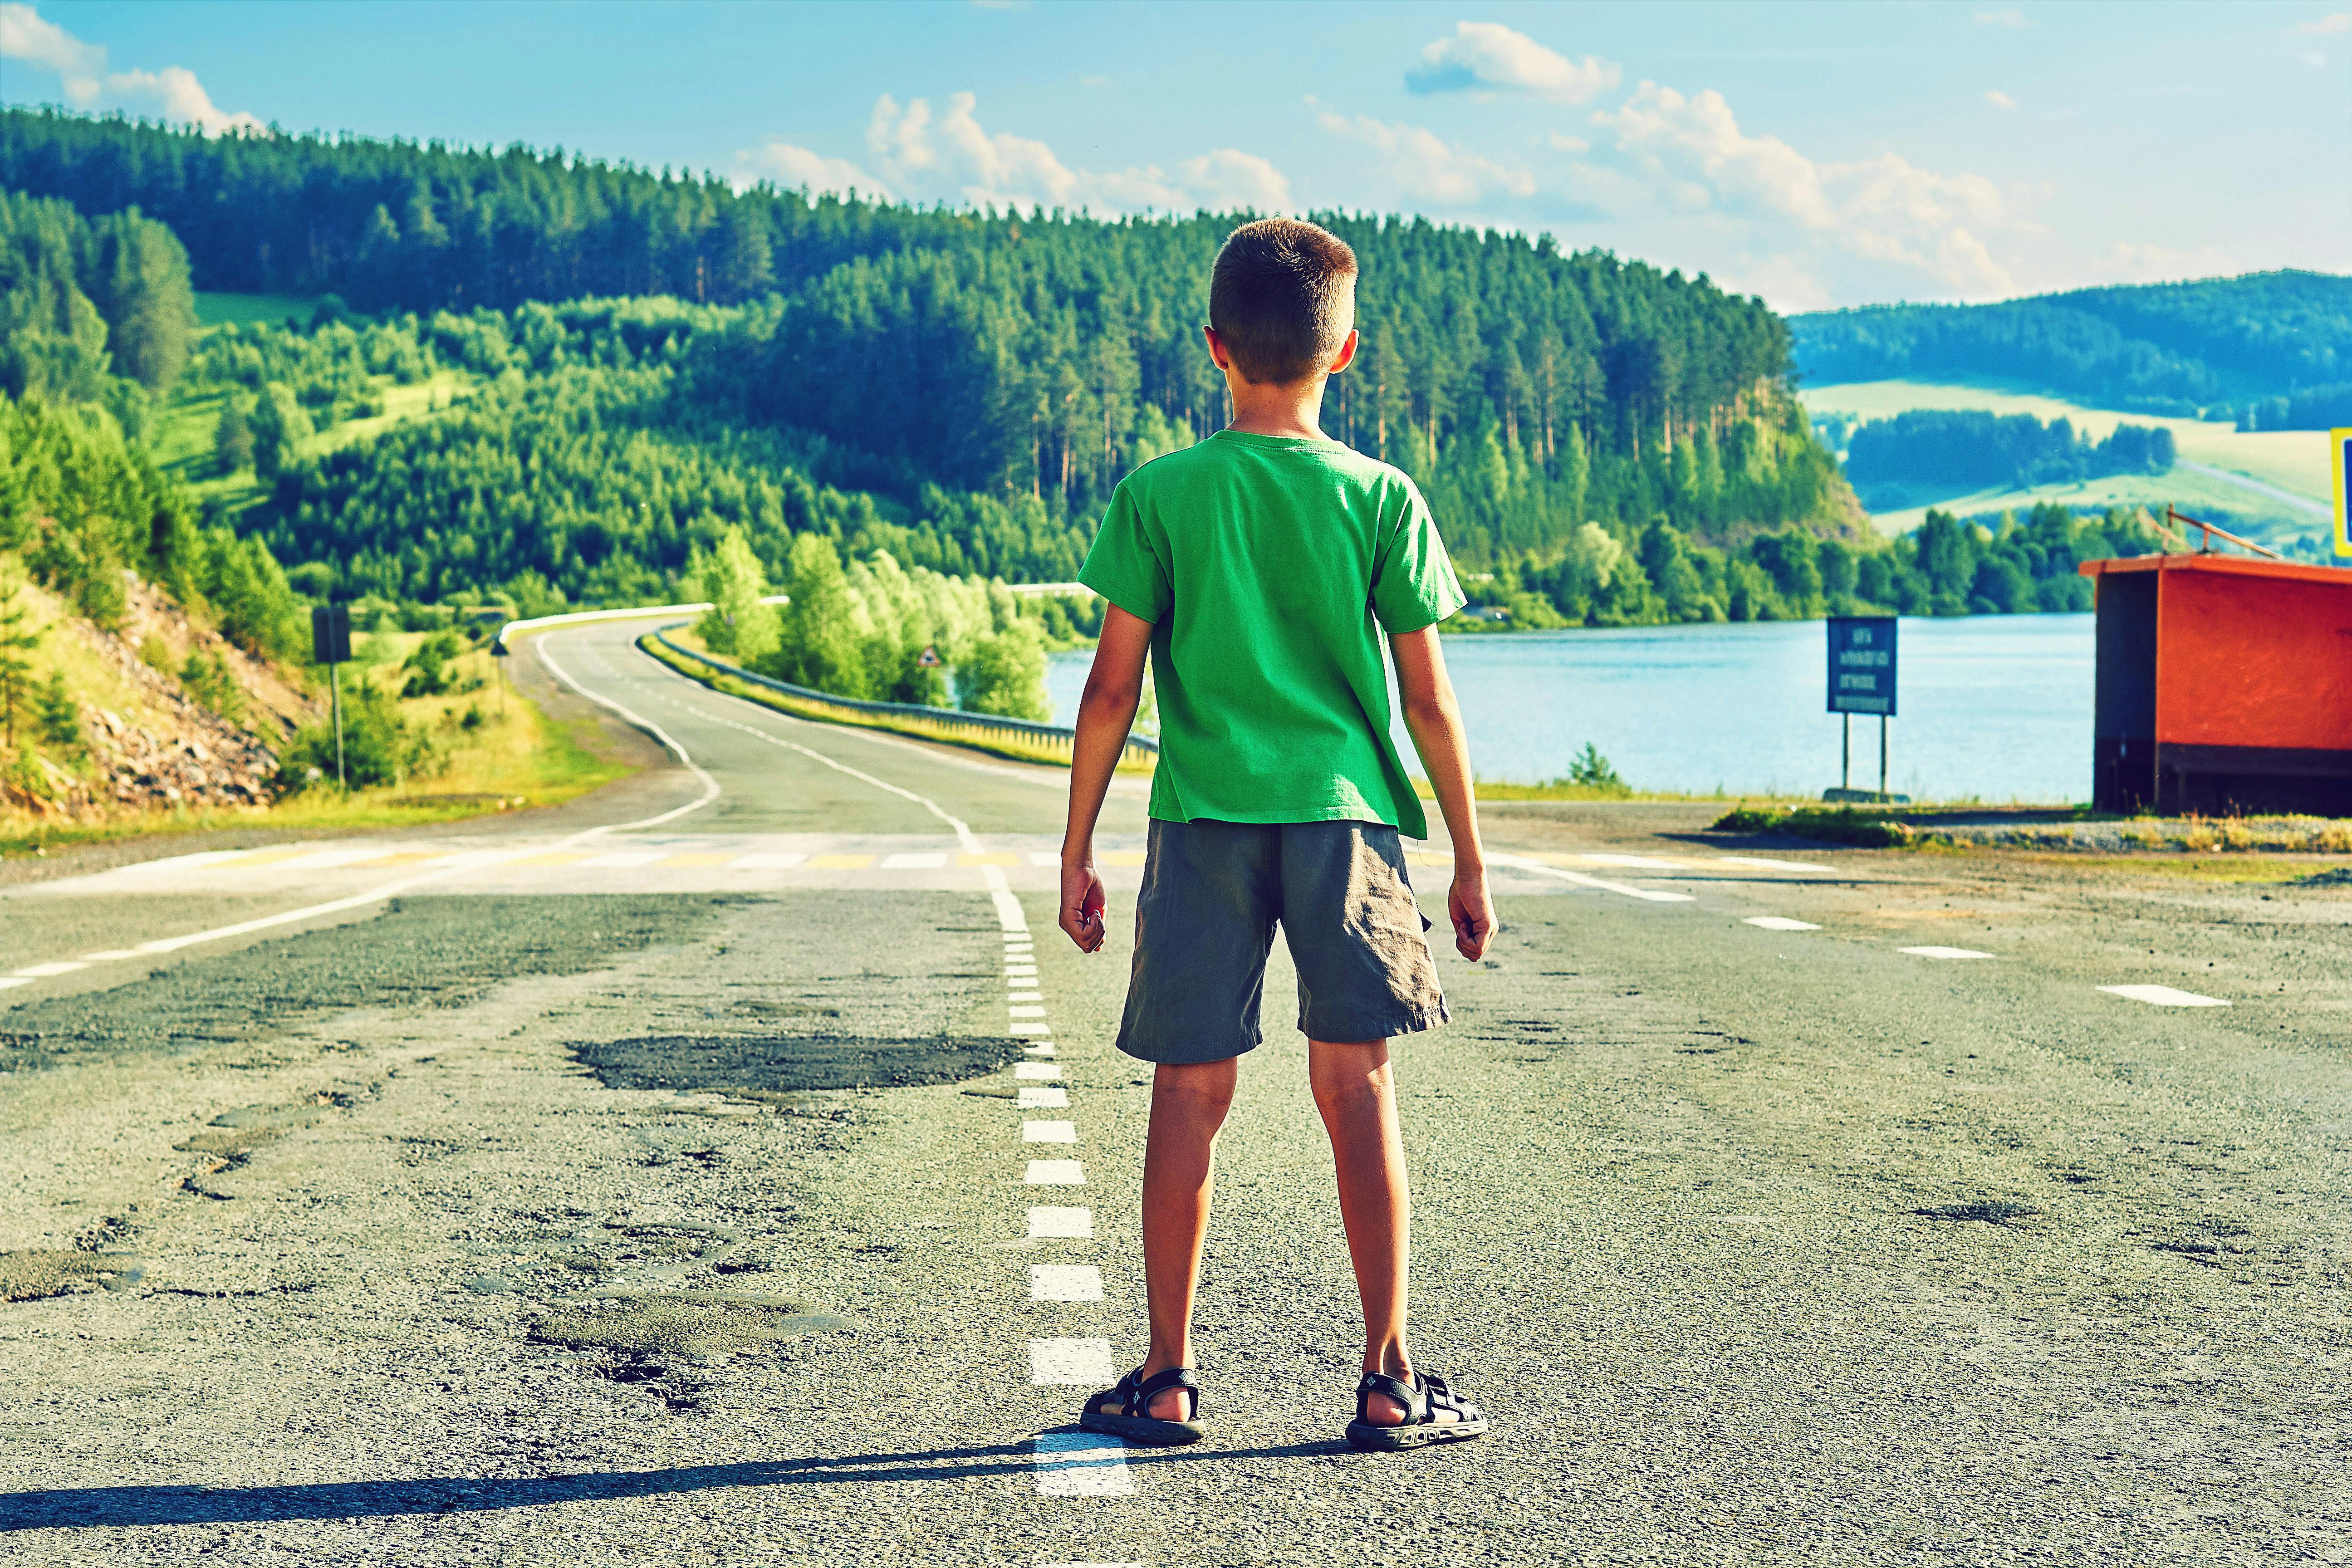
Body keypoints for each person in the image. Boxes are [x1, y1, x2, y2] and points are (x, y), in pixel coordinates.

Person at [1057, 217, 1495, 1454]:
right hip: (1346, 825)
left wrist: (1076, 848)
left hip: (1202, 822)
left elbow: (1109, 692)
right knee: (1356, 1086)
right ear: (1345, 350)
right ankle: (1387, 1379)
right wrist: (1468, 857)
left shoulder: (1161, 494)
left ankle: (1166, 1378)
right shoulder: (1379, 497)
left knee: (1189, 1090)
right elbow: (1428, 701)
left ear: (1215, 349)